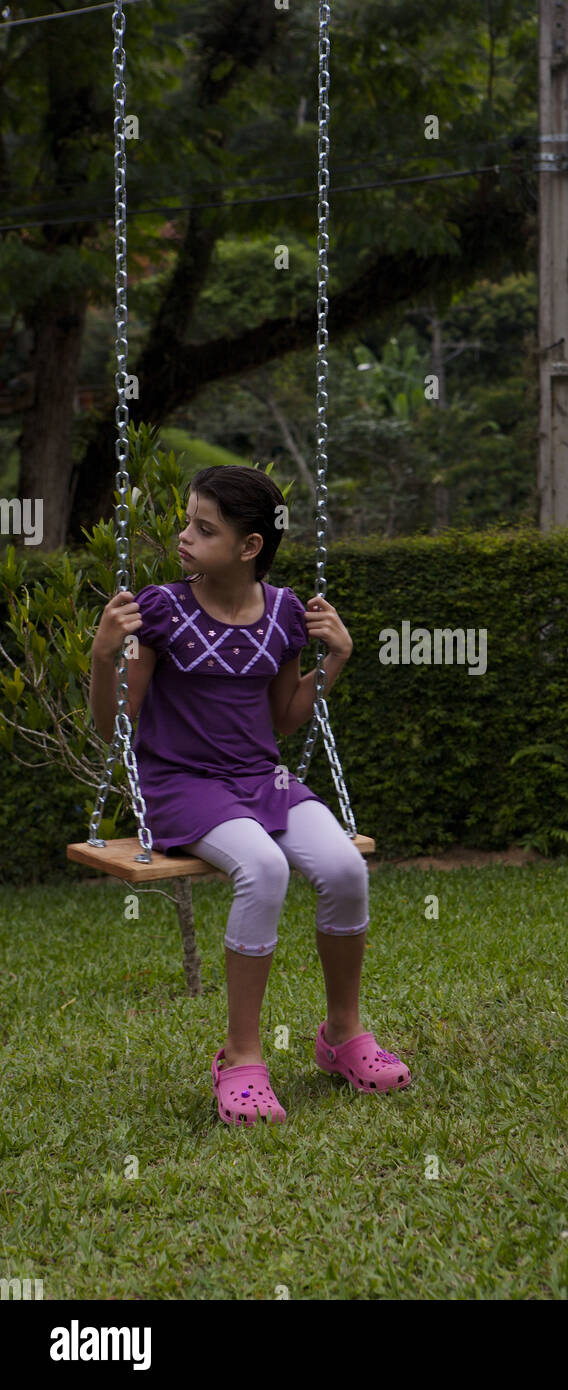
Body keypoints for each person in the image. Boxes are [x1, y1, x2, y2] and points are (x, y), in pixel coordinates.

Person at [89, 464, 411, 1126]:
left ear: (249, 547)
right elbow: (115, 726)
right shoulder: (162, 610)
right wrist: (102, 658)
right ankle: (241, 1056)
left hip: (263, 780)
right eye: (187, 522)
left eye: (203, 529)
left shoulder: (286, 613)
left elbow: (286, 717)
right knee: (262, 869)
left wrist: (335, 662)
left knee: (347, 867)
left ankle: (342, 1036)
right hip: (180, 785)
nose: (184, 537)